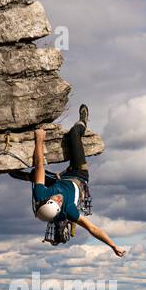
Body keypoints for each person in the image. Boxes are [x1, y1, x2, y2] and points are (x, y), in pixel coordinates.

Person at [31, 105, 125, 256]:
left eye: (54, 199)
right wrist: (113, 246)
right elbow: (93, 229)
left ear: (46, 201)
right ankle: (83, 122)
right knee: (74, 133)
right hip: (78, 175)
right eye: (58, 201)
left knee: (34, 173)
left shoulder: (41, 195)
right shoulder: (69, 210)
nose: (58, 198)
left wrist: (39, 139)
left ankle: (35, 177)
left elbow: (39, 163)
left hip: (59, 180)